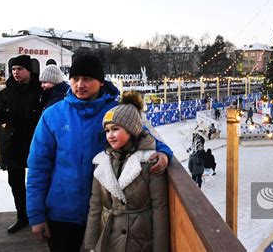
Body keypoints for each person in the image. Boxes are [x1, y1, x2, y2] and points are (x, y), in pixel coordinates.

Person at [26, 55, 173, 252]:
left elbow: (145, 135)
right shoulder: (53, 115)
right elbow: (38, 166)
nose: (80, 84)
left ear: (100, 81)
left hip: (104, 212)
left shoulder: (117, 112)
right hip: (61, 214)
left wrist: (163, 152)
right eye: (75, 78)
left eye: (87, 79)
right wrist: (36, 214)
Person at [84, 91, 169, 252]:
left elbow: (160, 209)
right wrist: (90, 245)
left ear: (132, 129)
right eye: (107, 130)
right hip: (109, 239)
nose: (110, 135)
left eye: (115, 129)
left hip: (139, 241)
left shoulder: (148, 161)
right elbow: (95, 207)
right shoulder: (101, 162)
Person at [0, 55, 43, 234]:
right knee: (15, 183)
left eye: (20, 69)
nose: (16, 72)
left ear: (28, 70)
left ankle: (39, 215)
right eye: (13, 69)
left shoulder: (39, 90)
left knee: (39, 181)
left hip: (35, 143)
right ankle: (22, 216)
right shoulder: (6, 92)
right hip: (14, 143)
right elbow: (1, 117)